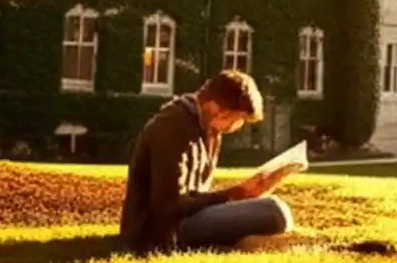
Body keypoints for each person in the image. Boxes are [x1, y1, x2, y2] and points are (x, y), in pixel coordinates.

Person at [119, 70, 299, 254]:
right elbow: (168, 206)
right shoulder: (172, 126)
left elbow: (195, 196)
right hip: (162, 231)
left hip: (186, 219)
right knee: (274, 210)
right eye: (237, 118)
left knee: (272, 210)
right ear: (217, 108)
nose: (236, 126)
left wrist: (245, 193)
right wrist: (232, 194)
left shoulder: (208, 128)